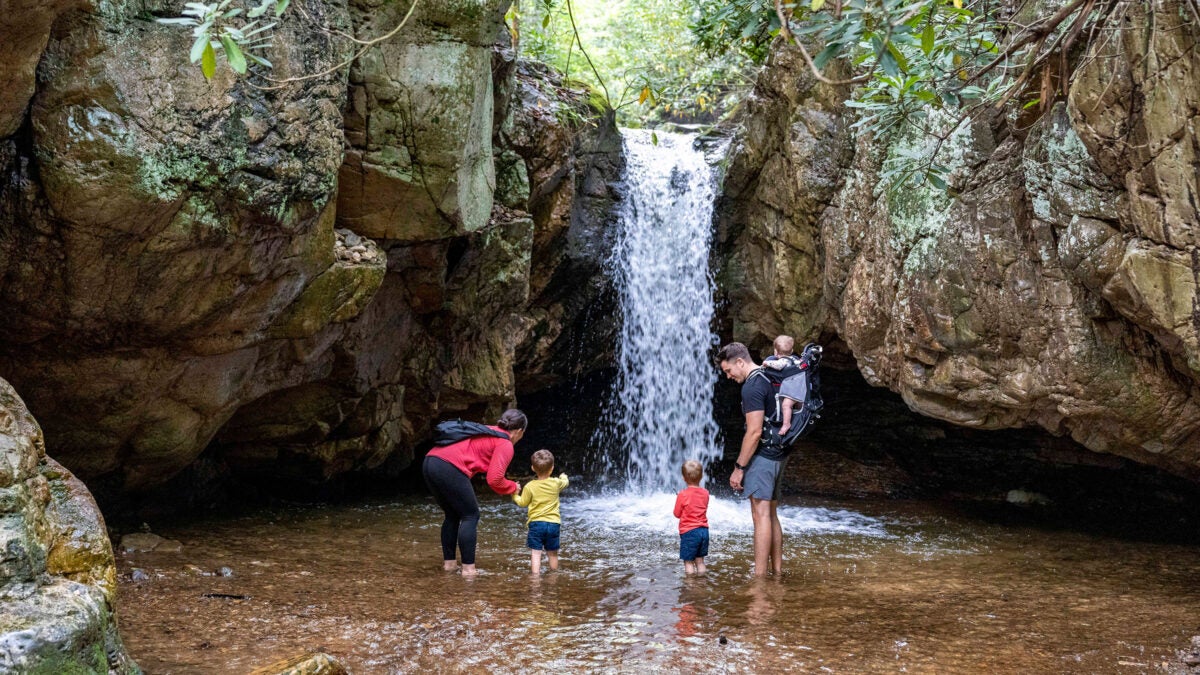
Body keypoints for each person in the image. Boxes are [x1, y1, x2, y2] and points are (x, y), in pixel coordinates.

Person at [423, 409, 526, 576]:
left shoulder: (489, 429)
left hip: (430, 461)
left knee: (452, 514)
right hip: (449, 465)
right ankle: (468, 570)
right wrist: (513, 487)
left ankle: (449, 565)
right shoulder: (505, 443)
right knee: (471, 515)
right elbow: (495, 480)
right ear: (520, 431)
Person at [717, 341, 787, 576]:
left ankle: (759, 577)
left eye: (728, 371)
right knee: (771, 513)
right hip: (779, 453)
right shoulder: (770, 376)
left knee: (760, 514)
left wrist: (739, 467)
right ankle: (776, 572)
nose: (728, 376)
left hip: (763, 455)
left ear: (740, 362)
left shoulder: (752, 386)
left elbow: (754, 431)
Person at [512, 448, 569, 574]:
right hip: (554, 524)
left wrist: (514, 494)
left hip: (536, 524)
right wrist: (563, 476)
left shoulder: (530, 486)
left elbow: (522, 503)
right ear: (552, 468)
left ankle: (535, 579)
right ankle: (553, 577)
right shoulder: (556, 483)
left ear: (533, 468)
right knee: (553, 553)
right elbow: (565, 482)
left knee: (536, 553)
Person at [762, 335, 805, 436]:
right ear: (792, 350)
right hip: (801, 388)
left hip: (794, 391)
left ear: (776, 352)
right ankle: (798, 413)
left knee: (786, 405)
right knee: (794, 404)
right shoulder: (795, 359)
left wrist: (767, 363)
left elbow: (778, 365)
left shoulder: (783, 361)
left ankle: (786, 424)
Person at [673, 459, 710, 575]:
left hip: (689, 532)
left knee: (688, 562)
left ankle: (690, 586)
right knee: (700, 561)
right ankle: (702, 582)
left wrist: (680, 498)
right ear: (702, 476)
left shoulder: (682, 495)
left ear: (683, 478)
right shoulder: (706, 493)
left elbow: (677, 514)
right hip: (704, 531)